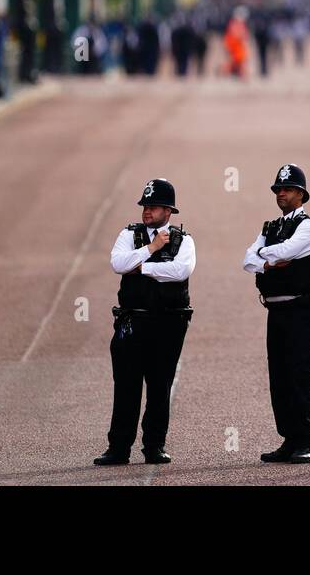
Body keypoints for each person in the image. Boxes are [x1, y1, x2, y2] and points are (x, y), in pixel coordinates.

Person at [94, 179, 195, 466]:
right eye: (144, 206)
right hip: (132, 322)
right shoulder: (129, 235)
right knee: (126, 385)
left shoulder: (184, 240)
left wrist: (142, 267)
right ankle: (118, 448)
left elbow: (181, 270)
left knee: (160, 385)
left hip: (168, 324)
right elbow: (117, 264)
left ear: (168, 210)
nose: (146, 211)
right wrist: (150, 249)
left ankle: (154, 446)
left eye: (152, 206)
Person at [243, 164, 310, 464]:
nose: (281, 193)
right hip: (275, 309)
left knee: (299, 374)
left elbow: (286, 252)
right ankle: (289, 439)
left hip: (301, 309)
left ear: (301, 194)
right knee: (279, 376)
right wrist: (267, 260)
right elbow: (247, 260)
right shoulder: (270, 227)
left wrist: (266, 255)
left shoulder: (309, 225)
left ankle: (305, 442)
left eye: (287, 189)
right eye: (278, 189)